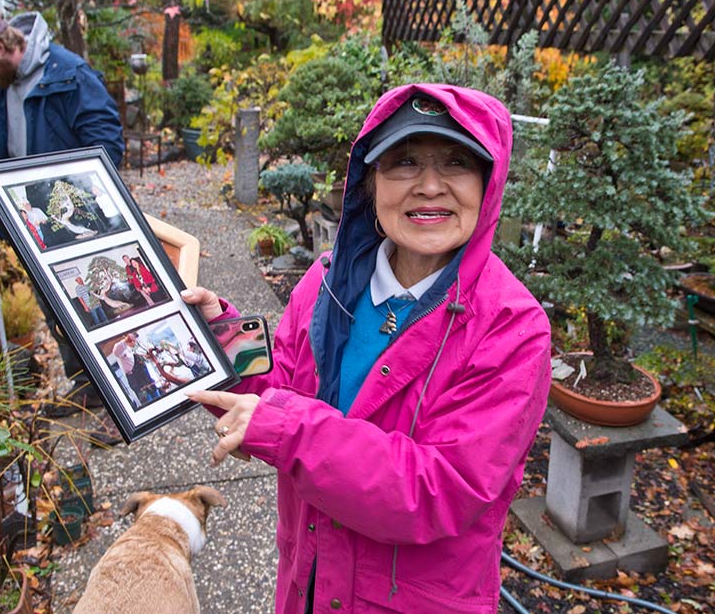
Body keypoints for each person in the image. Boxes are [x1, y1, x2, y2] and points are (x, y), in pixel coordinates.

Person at [181, 83, 552, 614]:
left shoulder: (511, 329)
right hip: (311, 577)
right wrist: (222, 337)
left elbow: (440, 489)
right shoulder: (328, 283)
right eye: (404, 162)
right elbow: (284, 392)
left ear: (487, 183)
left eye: (456, 162)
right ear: (371, 183)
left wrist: (285, 430)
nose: (430, 186)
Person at [0, 6, 125, 423]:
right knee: (57, 312)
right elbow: (1, 153)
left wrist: (71, 206)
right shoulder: (2, 85)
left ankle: (119, 404)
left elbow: (107, 147)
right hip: (31, 226)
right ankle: (86, 390)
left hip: (75, 225)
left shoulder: (69, 74)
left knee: (92, 306)